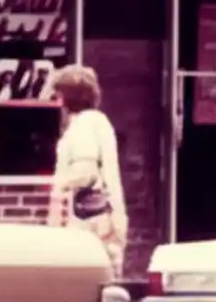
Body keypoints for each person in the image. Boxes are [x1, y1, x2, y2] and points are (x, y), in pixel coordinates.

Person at [46, 66, 127, 278]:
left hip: (86, 222)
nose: (56, 99)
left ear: (67, 96)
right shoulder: (99, 122)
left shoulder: (82, 125)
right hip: (105, 218)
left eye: (58, 93)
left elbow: (85, 171)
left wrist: (59, 185)